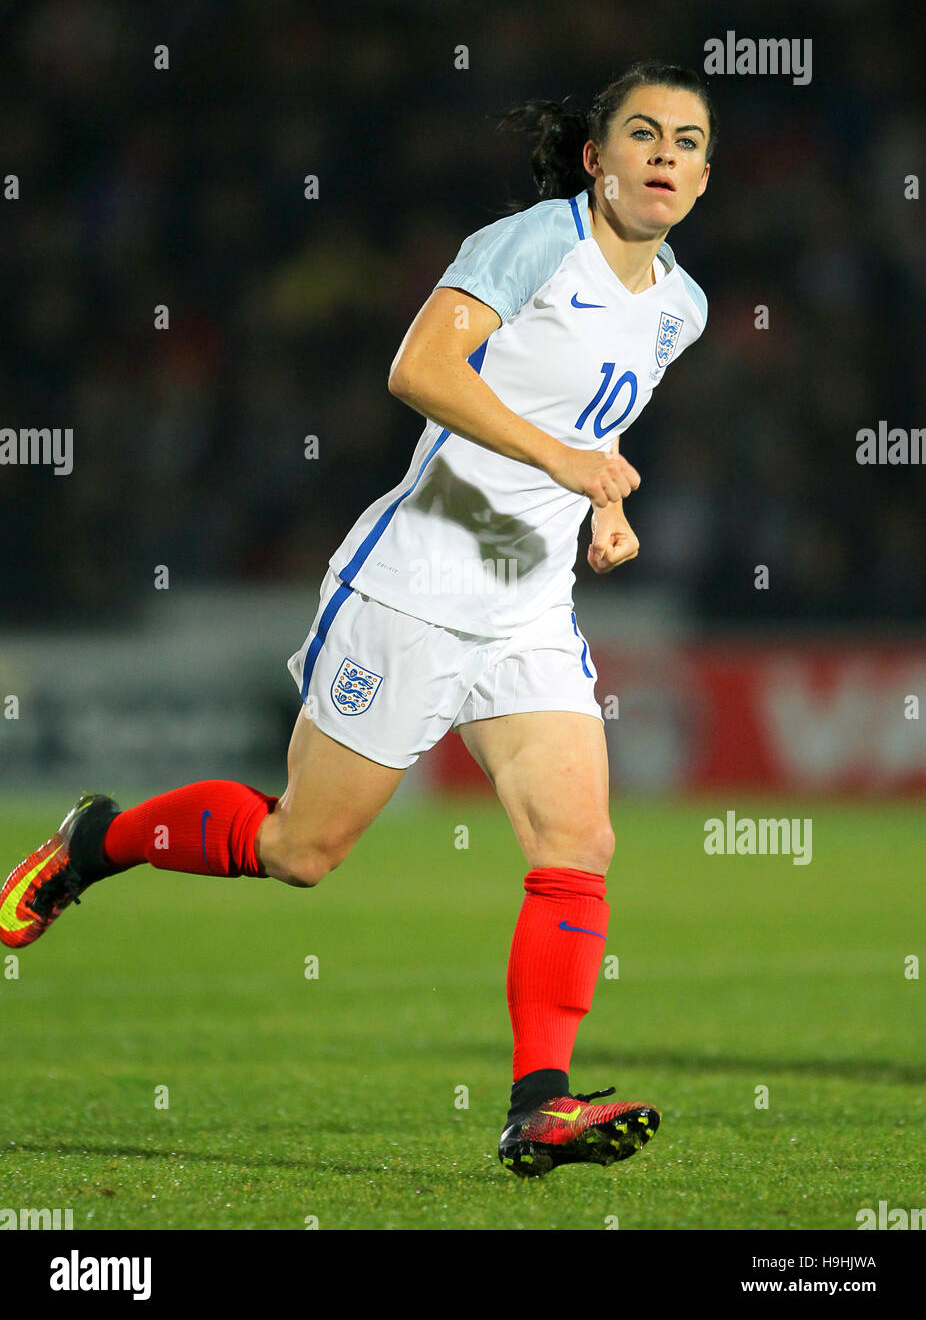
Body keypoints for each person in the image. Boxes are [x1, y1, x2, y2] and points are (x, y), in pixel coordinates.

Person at [1, 60, 714, 1178]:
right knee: (300, 849)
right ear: (597, 155)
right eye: (642, 133)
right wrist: (566, 463)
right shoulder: (531, 242)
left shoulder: (682, 304)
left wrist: (602, 503)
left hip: (529, 603)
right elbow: (419, 368)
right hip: (415, 587)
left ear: (705, 173)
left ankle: (539, 1103)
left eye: (687, 140)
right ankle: (94, 844)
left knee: (577, 842)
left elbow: (586, 428)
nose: (665, 154)